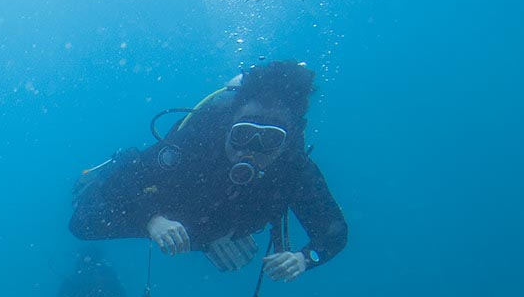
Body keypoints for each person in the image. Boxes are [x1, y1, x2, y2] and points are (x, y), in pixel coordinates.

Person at [70, 60, 347, 282]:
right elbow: (125, 180)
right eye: (243, 135)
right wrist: (152, 219)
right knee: (83, 223)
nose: (250, 151)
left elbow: (334, 232)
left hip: (213, 222)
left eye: (271, 139)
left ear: (287, 141)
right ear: (229, 125)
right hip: (169, 209)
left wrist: (304, 258)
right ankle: (100, 176)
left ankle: (208, 236)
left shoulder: (294, 168)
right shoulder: (198, 139)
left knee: (208, 230)